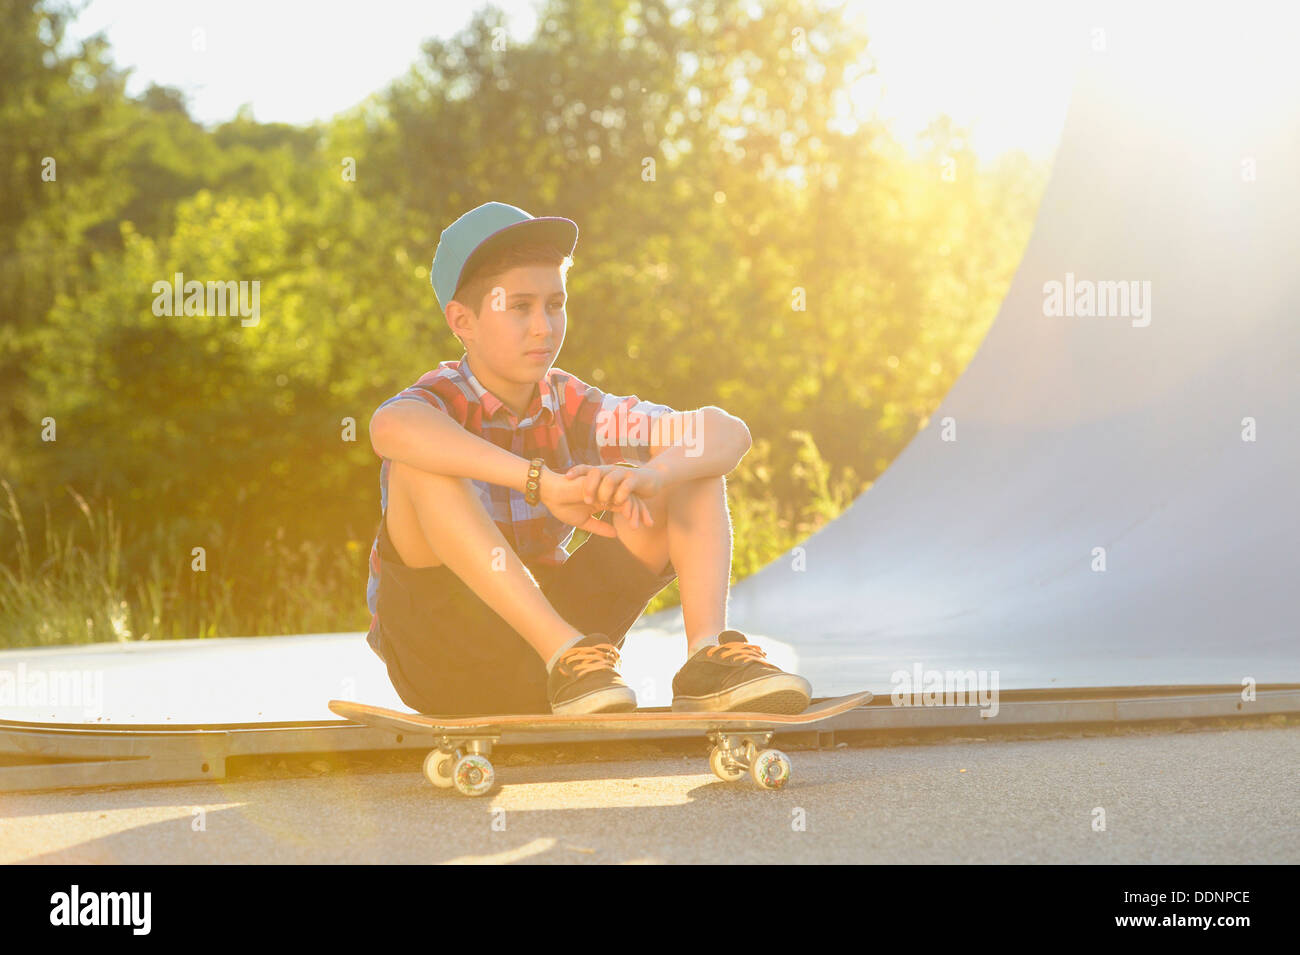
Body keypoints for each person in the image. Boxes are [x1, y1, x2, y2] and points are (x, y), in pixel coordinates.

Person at [364, 201, 812, 716]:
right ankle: (560, 650)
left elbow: (725, 432)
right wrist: (544, 484)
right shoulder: (439, 401)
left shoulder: (569, 403)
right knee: (420, 466)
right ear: (462, 320)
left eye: (555, 305)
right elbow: (389, 427)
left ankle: (705, 659)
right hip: (444, 666)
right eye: (519, 307)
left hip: (571, 676)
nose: (543, 327)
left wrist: (650, 476)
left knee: (691, 459)